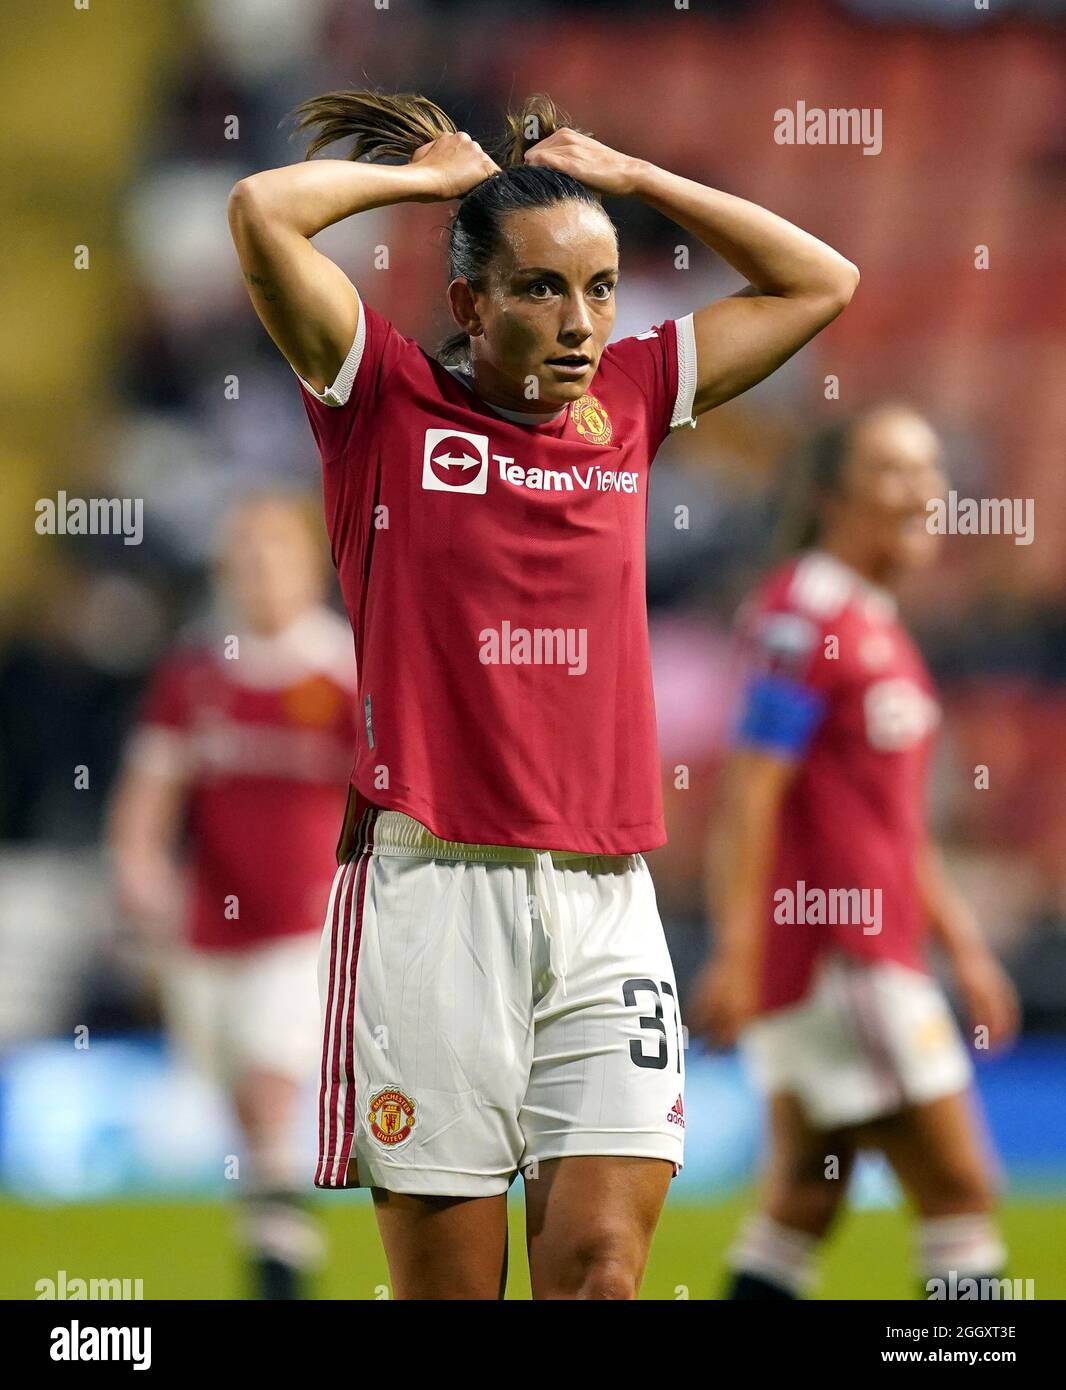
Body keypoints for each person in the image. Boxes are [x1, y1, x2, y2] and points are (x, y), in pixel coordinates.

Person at [226, 88, 858, 1300]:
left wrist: (639, 170)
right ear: (468, 301)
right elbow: (262, 211)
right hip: (432, 893)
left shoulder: (626, 401)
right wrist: (428, 185)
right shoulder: (382, 402)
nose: (579, 321)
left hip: (608, 898)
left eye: (601, 287)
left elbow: (819, 280)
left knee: (604, 1274)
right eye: (540, 288)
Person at [690, 406, 1020, 1300]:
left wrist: (963, 947)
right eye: (894, 470)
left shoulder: (874, 624)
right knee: (960, 1190)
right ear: (833, 496)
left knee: (804, 1195)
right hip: (841, 957)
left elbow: (896, 824)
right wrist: (738, 951)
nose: (926, 491)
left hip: (863, 950)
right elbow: (749, 793)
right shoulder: (804, 615)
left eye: (931, 470)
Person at [108, 493, 357, 1299]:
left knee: (266, 1085)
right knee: (243, 1113)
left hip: (305, 923)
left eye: (273, 552)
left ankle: (279, 1278)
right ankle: (279, 1236)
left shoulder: (347, 672)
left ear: (309, 565)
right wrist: (139, 872)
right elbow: (149, 793)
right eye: (243, 555)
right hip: (207, 931)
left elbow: (387, 797)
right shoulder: (195, 676)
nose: (258, 570)